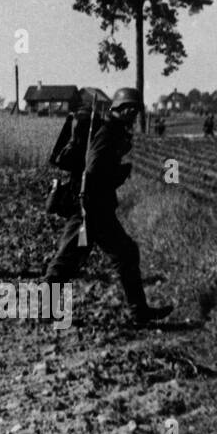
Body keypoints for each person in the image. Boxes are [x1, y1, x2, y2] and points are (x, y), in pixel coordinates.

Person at [43, 88, 173, 326]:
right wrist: (118, 174)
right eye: (131, 109)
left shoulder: (113, 130)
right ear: (121, 109)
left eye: (135, 110)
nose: (134, 114)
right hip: (89, 208)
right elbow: (94, 168)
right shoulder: (108, 132)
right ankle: (46, 309)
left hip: (95, 207)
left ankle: (139, 312)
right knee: (69, 258)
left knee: (124, 253)